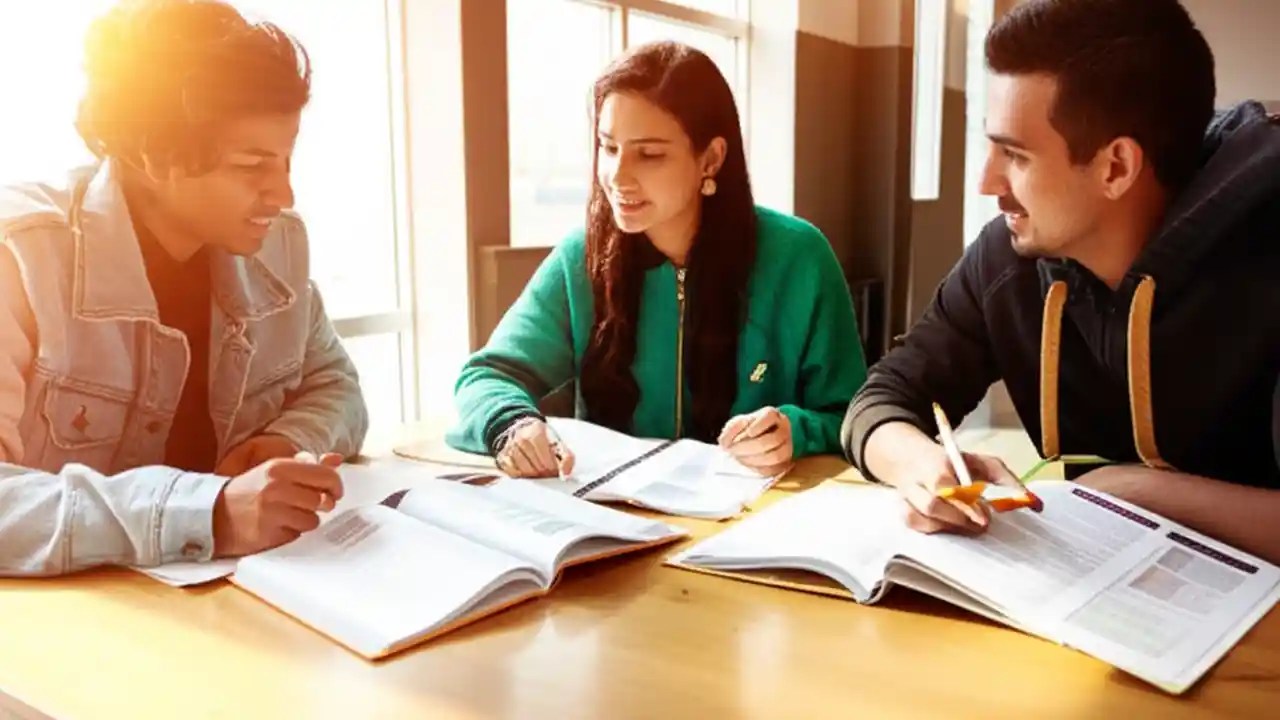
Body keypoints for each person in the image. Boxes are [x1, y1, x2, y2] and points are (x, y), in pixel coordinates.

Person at [842, 0, 1280, 560]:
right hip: (1095, 586)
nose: (986, 182)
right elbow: (884, 396)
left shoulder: (1268, 258)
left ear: (1116, 167)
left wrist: (1131, 491)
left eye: (1015, 155)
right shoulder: (1006, 258)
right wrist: (922, 466)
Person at [0, 0, 367, 575]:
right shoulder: (21, 258)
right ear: (153, 154)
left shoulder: (278, 247)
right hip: (68, 618)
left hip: (230, 598)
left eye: (287, 159)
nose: (283, 195)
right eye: (252, 165)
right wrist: (209, 513)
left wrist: (286, 440)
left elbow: (337, 386)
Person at [448, 41, 866, 479]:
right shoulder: (582, 258)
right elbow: (486, 376)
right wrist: (512, 424)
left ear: (711, 159)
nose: (618, 176)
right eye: (609, 147)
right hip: (611, 513)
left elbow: (853, 417)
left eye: (649, 154)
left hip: (759, 511)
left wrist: (795, 431)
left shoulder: (800, 258)